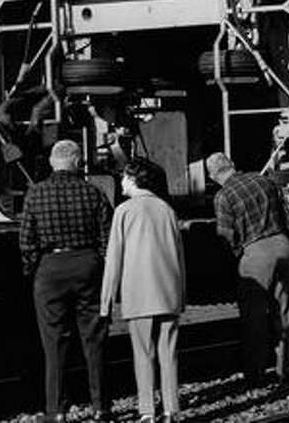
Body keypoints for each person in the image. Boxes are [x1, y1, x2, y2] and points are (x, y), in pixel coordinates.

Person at [18, 139, 114, 422]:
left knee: (54, 342)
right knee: (95, 339)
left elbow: (26, 241)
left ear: (52, 162)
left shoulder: (35, 194)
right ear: (78, 162)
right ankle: (101, 407)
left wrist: (33, 270)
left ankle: (56, 410)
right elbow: (106, 239)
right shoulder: (94, 193)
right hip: (88, 265)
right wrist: (99, 264)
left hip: (50, 267)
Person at [100, 158, 185, 423]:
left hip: (138, 295)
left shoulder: (124, 211)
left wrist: (106, 303)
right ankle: (172, 410)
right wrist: (180, 295)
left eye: (125, 176)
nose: (122, 181)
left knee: (143, 355)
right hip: (168, 292)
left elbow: (114, 259)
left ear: (136, 179)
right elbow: (179, 256)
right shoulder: (167, 209)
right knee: (168, 354)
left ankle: (148, 411)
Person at [207, 152, 289, 386]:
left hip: (256, 253)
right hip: (283, 245)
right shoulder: (264, 180)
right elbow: (287, 215)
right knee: (284, 311)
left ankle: (255, 375)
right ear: (233, 165)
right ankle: (286, 371)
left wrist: (239, 255)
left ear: (212, 176)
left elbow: (226, 236)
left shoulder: (223, 195)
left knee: (254, 318)